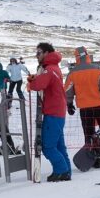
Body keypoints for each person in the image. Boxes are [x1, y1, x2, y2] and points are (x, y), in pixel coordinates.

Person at [65, 46, 100, 168]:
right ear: (87, 55)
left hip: (85, 109)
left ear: (76, 57)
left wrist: (69, 104)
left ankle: (92, 159)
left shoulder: (73, 73)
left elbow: (68, 90)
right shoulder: (97, 69)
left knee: (89, 133)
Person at [28, 43, 72, 181]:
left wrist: (31, 81)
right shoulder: (54, 68)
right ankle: (66, 171)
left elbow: (38, 85)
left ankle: (62, 171)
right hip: (58, 111)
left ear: (47, 53)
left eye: (39, 53)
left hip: (53, 112)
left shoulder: (49, 70)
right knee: (59, 145)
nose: (37, 55)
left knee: (48, 146)